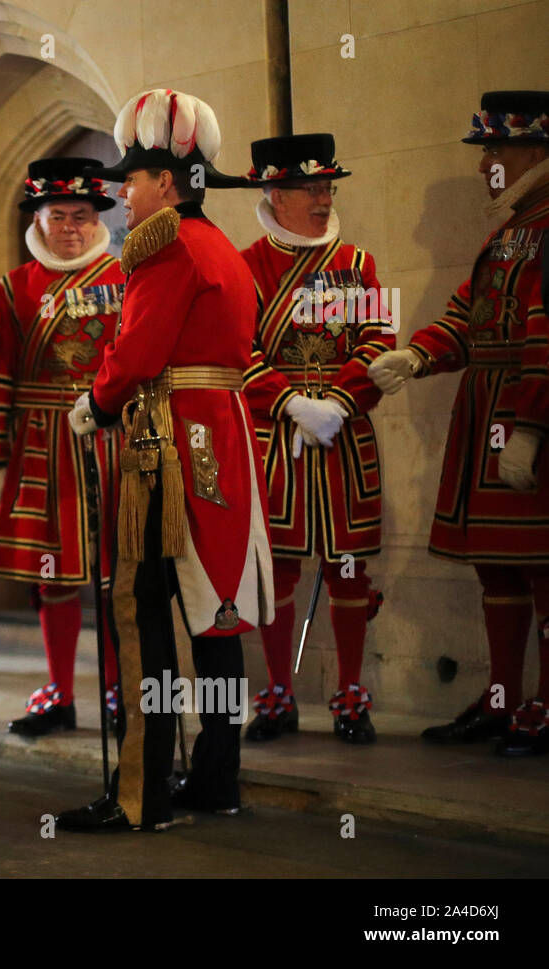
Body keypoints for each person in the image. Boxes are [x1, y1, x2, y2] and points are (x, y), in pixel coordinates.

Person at [60, 89, 273, 831]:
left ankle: (141, 793)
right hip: (221, 433)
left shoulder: (166, 244)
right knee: (215, 616)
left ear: (171, 184)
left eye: (135, 177)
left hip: (168, 444)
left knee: (142, 609)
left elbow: (139, 353)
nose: (124, 188)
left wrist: (97, 400)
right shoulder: (223, 246)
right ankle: (217, 776)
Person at [369, 90, 549, 757]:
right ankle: (504, 700)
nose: (485, 165)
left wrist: (531, 427)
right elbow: (469, 314)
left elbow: (545, 332)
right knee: (498, 568)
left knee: (543, 568)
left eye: (495, 150)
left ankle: (544, 707)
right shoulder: (511, 227)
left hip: (528, 411)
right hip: (488, 408)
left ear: (534, 149)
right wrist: (418, 356)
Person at [240, 133, 394, 745]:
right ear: (275, 195)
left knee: (348, 567)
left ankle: (349, 692)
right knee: (276, 571)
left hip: (344, 435)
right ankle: (278, 693)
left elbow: (379, 337)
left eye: (327, 187)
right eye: (310, 189)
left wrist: (339, 401)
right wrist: (291, 402)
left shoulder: (359, 265)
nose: (323, 199)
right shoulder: (244, 264)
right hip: (277, 440)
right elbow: (236, 349)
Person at [0, 157, 127, 737]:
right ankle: (60, 692)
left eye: (81, 215)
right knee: (53, 577)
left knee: (119, 576)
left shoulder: (127, 278)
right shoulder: (10, 289)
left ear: (98, 219)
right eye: (56, 214)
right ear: (36, 219)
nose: (69, 226)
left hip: (113, 440)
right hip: (40, 443)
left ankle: (118, 693)